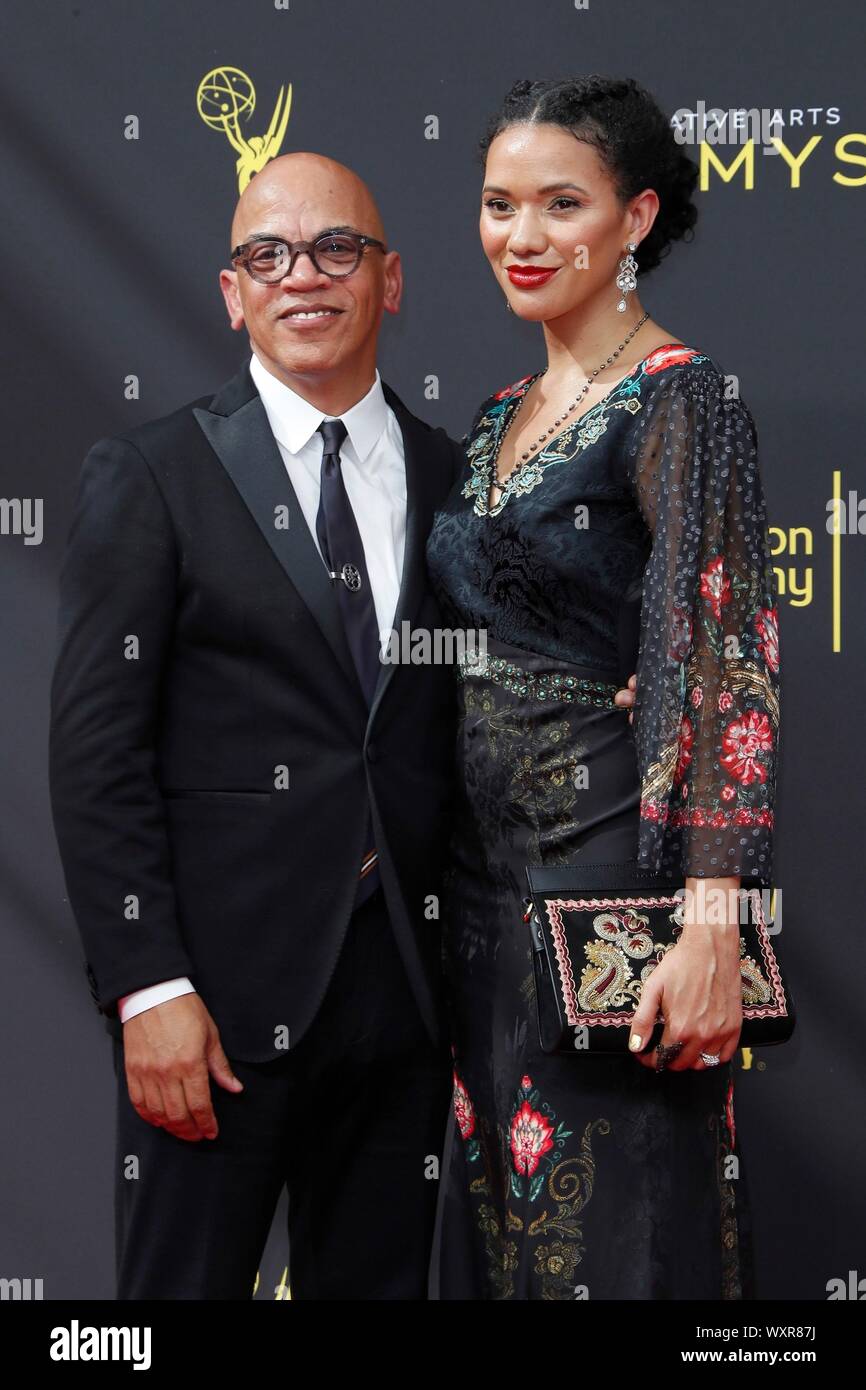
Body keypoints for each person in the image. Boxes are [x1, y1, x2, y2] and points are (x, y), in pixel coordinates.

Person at [48, 153, 470, 1300]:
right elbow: (97, 756)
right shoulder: (150, 473)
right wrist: (147, 987)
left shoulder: (457, 480)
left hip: (406, 1013)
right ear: (230, 293)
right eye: (266, 256)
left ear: (390, 282)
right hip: (213, 1017)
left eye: (338, 249)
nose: (304, 277)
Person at [425, 76, 781, 1300]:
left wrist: (711, 918)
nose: (519, 237)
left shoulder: (682, 399)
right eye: (496, 205)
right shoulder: (492, 418)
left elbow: (721, 649)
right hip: (474, 896)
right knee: (500, 1236)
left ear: (633, 219)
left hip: (607, 884)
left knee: (618, 1234)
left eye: (557, 204)